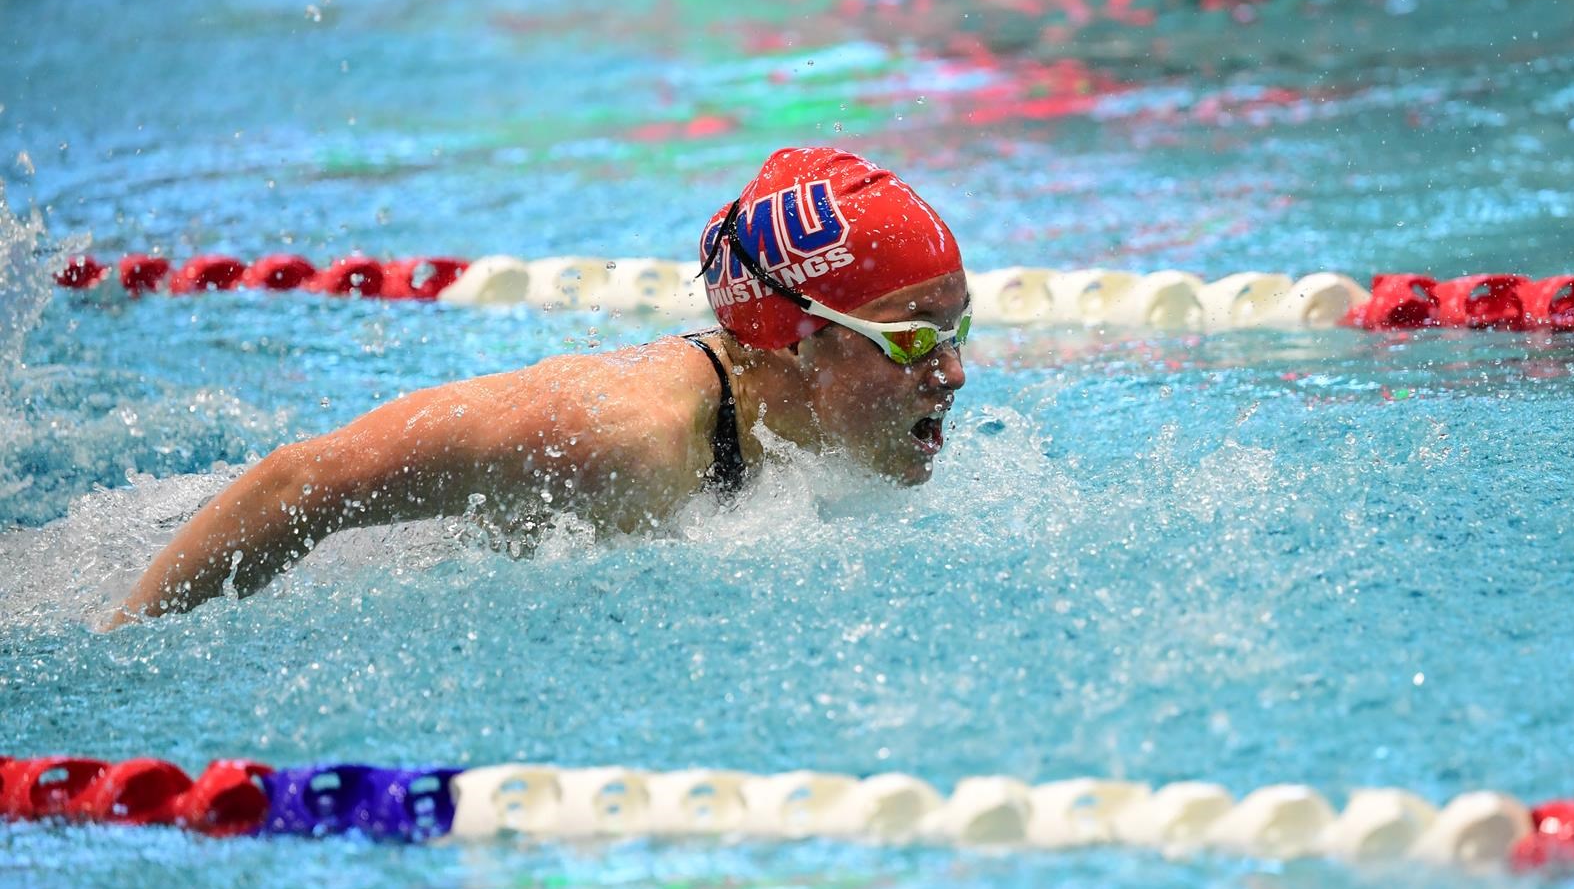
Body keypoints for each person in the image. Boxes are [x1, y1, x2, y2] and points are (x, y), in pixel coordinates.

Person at [110, 146, 969, 625]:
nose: (953, 372)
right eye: (915, 340)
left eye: (959, 328)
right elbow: (302, 481)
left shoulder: (796, 439)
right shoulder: (623, 436)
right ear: (792, 337)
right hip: (126, 559)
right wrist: (122, 645)